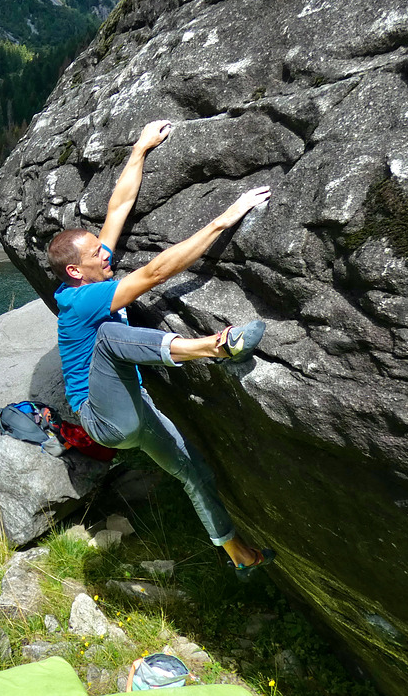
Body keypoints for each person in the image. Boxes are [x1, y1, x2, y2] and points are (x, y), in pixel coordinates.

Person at [47, 119, 274, 579]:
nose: (105, 253)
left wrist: (139, 150)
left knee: (193, 471)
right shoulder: (83, 299)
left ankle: (236, 553)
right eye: (95, 253)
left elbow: (118, 210)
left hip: (134, 408)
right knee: (109, 339)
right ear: (76, 271)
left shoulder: (93, 272)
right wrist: (224, 218)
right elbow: (152, 275)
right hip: (100, 416)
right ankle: (218, 347)